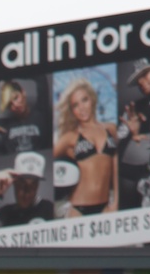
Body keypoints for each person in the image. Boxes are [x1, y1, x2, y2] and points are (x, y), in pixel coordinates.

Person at [53, 78, 117, 216]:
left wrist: (116, 202)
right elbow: (47, 161)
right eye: (75, 105)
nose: (81, 108)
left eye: (84, 100)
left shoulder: (111, 129)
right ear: (71, 110)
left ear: (92, 99)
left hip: (105, 207)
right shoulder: (70, 137)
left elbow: (116, 165)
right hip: (78, 209)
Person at [0, 151, 53, 228]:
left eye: (33, 185)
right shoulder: (4, 214)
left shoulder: (49, 209)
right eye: (22, 184)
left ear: (38, 185)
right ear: (14, 183)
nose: (27, 192)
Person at [0, 79, 45, 156]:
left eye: (16, 97)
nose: (15, 105)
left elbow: (42, 79)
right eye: (10, 104)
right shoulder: (6, 125)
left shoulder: (41, 113)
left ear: (23, 92)